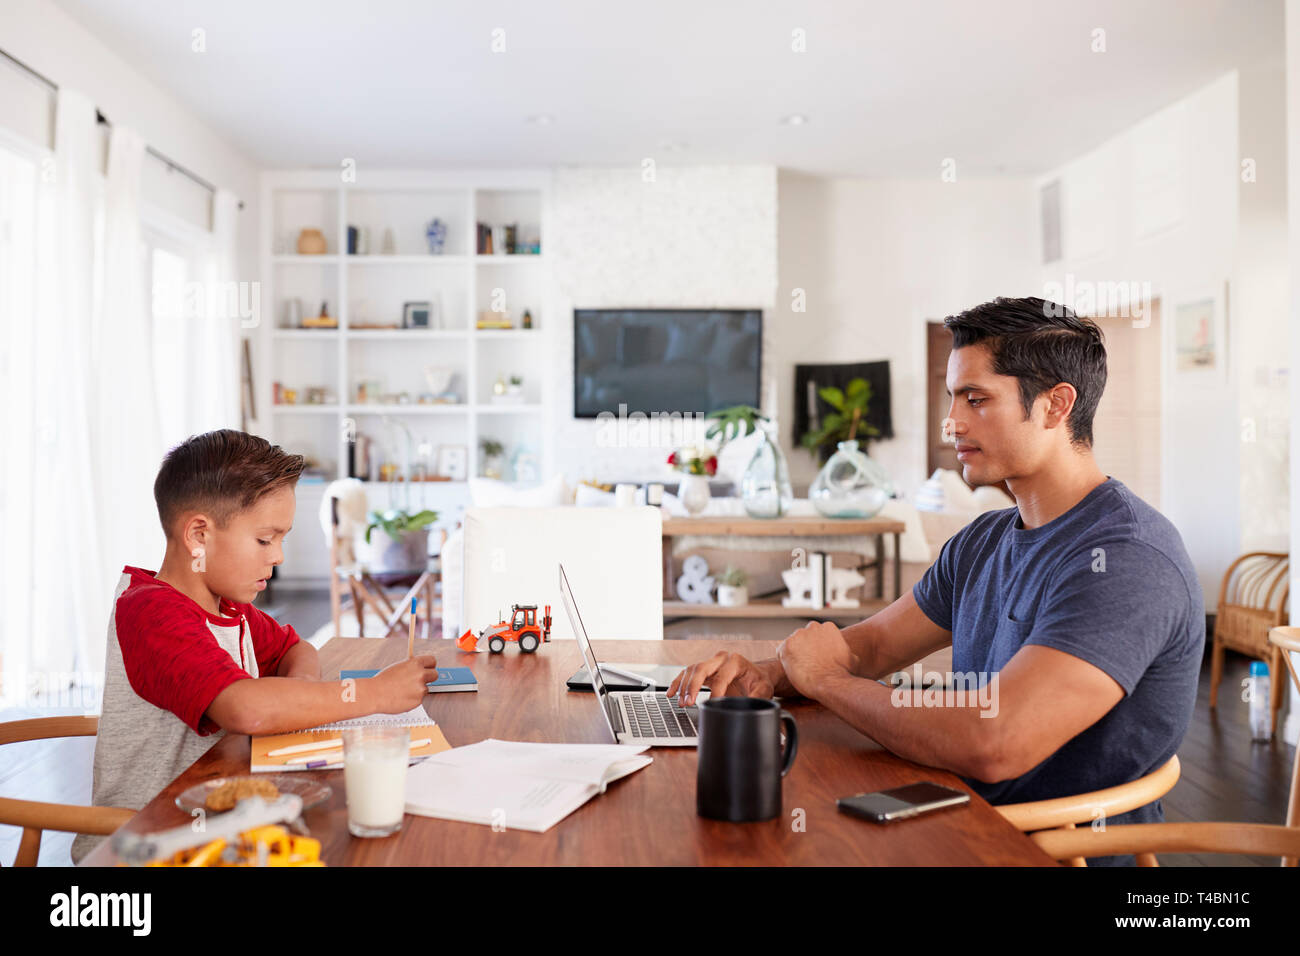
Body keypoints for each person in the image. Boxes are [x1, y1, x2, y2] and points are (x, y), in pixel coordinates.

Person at [669, 297, 1204, 866]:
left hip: (1037, 848)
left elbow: (995, 744)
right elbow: (871, 646)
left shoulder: (1125, 559)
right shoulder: (984, 540)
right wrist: (767, 676)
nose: (951, 422)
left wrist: (825, 681)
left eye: (976, 399)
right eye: (952, 398)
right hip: (956, 812)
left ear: (1055, 406)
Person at [71, 429, 437, 862]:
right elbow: (245, 709)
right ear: (199, 536)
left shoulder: (229, 606)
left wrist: (297, 692)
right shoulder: (151, 613)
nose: (278, 555)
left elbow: (296, 648)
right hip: (148, 847)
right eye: (265, 539)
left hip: (221, 832)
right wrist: (373, 694)